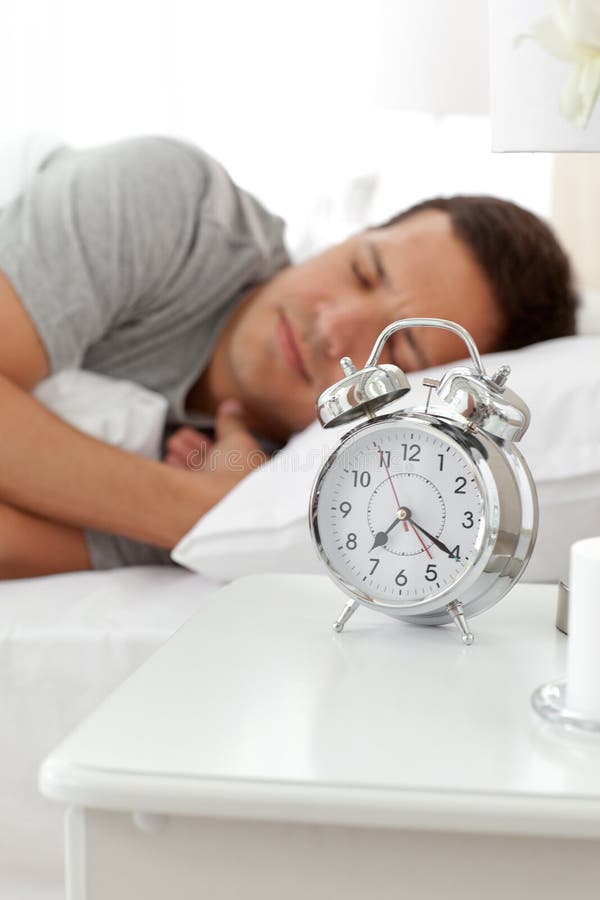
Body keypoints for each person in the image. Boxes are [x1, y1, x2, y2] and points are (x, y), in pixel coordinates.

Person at [0, 136, 577, 578]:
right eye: (364, 269)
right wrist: (190, 510)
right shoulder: (174, 205)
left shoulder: (277, 486)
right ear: (351, 235)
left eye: (396, 346)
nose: (332, 326)